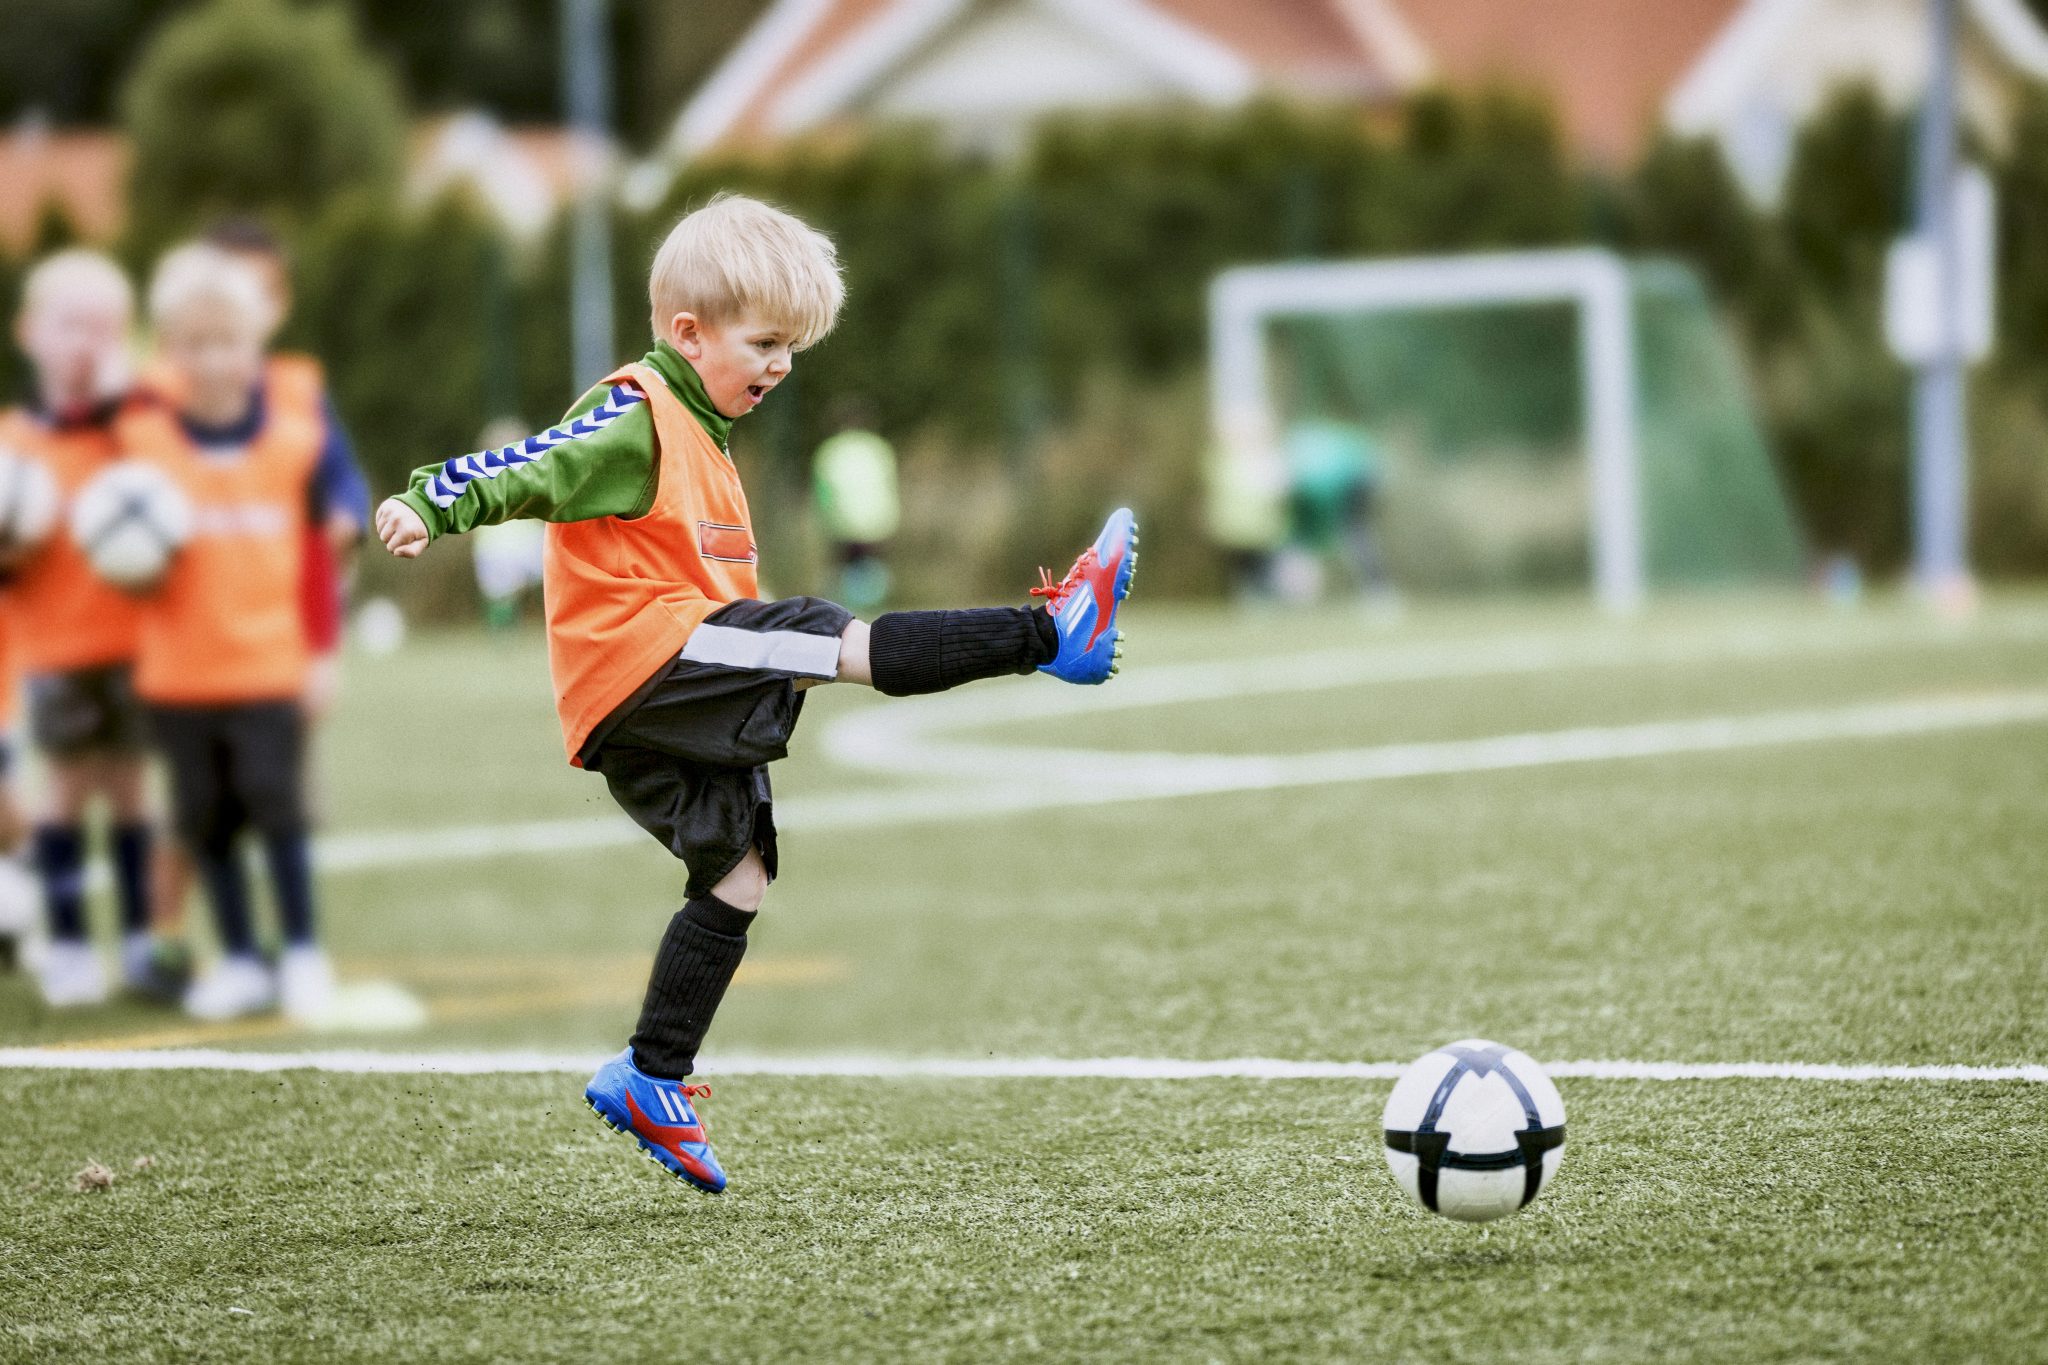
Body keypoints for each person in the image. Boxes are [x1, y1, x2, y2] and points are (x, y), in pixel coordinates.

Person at [375, 194, 1138, 1194]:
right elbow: (536, 466)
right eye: (765, 341)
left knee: (739, 874)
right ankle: (1051, 634)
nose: (780, 365)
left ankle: (652, 1074)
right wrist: (432, 500)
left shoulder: (704, 427)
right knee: (829, 638)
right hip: (645, 658)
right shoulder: (635, 410)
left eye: (794, 348)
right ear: (687, 333)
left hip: (648, 692)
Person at [118, 243, 344, 1022]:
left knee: (277, 808)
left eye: (229, 342)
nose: (214, 360)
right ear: (170, 352)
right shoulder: (143, 449)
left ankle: (304, 950)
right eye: (195, 344)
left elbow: (316, 554)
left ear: (256, 348)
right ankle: (243, 955)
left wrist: (321, 653)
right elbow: (118, 562)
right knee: (204, 818)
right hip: (177, 675)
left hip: (266, 669)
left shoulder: (290, 443)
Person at [0, 249, 180, 1006]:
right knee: (65, 796)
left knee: (135, 795)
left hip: (136, 647)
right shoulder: (15, 443)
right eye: (71, 326)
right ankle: (69, 940)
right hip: (55, 652)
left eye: (105, 329)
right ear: (29, 333)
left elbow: (175, 494)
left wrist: (126, 407)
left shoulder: (143, 425)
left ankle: (140, 939)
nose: (86, 344)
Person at [811, 399, 899, 613]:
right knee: (872, 566)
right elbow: (889, 483)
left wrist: (825, 517)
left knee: (844, 567)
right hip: (877, 519)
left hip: (843, 520)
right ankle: (874, 607)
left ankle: (847, 610)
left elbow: (824, 491)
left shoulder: (829, 450)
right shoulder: (879, 448)